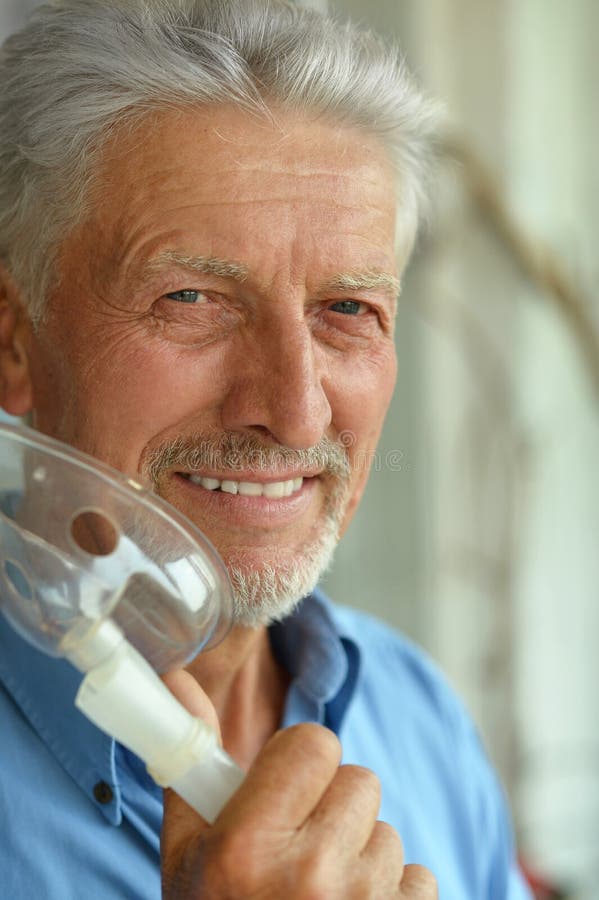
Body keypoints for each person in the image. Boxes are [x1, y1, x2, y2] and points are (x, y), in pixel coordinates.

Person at [0, 1, 532, 897]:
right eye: (191, 299)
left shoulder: (416, 709)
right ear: (14, 342)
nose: (294, 413)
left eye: (348, 309)